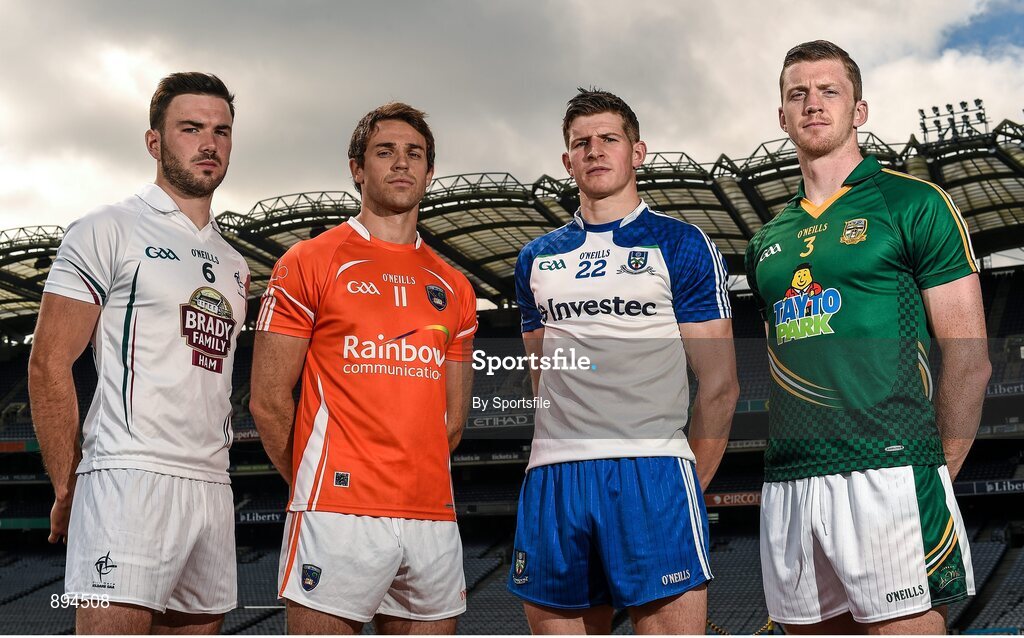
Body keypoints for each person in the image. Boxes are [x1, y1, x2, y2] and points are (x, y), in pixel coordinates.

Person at [744, 40, 990, 634]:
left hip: (890, 471)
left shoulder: (913, 204)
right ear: (782, 116)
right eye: (797, 94)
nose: (813, 104)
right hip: (790, 479)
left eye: (830, 91)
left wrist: (938, 466)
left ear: (860, 111)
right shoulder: (766, 241)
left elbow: (969, 354)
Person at [508, 88, 739, 634]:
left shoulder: (680, 244)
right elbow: (542, 377)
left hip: (651, 470)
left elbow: (721, 384)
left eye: (609, 139)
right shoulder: (534, 258)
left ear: (637, 152)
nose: (594, 151)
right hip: (553, 477)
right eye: (581, 143)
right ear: (567, 162)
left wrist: (685, 477)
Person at [28, 72, 248, 634]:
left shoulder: (235, 264)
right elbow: (49, 361)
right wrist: (65, 482)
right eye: (191, 129)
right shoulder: (108, 229)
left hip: (213, 484)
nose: (209, 144)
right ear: (154, 142)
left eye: (222, 132)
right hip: (130, 476)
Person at [249, 102, 477, 635]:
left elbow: (453, 421)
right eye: (385, 152)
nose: (401, 163)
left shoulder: (455, 286)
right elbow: (267, 400)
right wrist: (316, 488)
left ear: (429, 171)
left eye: (414, 153)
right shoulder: (309, 261)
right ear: (357, 167)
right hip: (336, 513)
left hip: (432, 516)